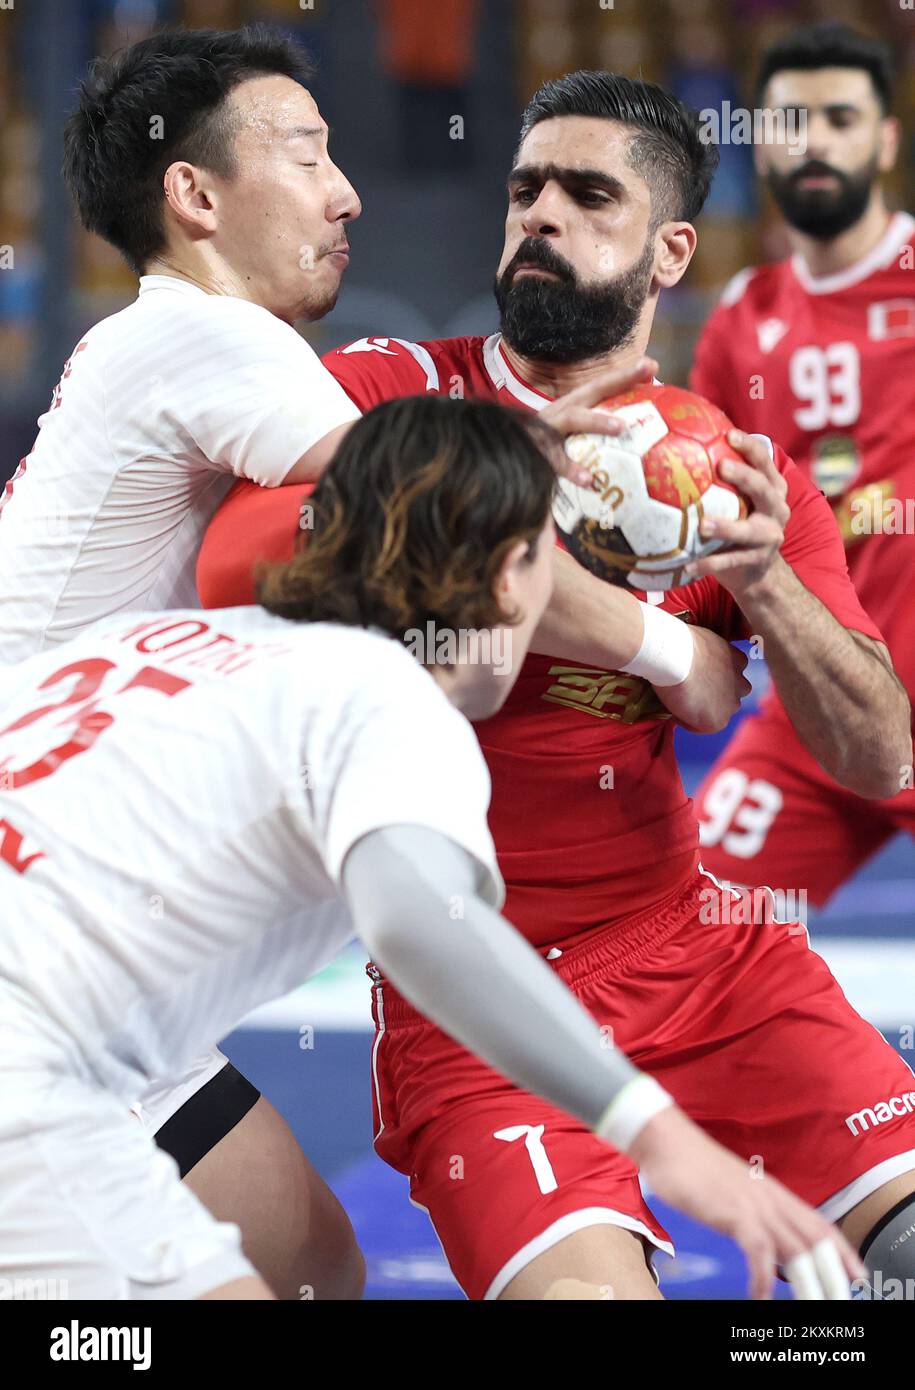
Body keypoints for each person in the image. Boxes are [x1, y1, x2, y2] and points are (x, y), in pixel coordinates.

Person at [189, 72, 915, 1301]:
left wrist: (766, 584)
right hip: (476, 988)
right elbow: (230, 566)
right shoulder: (391, 390)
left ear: (671, 248)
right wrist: (630, 622)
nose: (542, 217)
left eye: (589, 195)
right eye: (526, 190)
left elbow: (884, 755)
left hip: (705, 951)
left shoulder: (735, 478)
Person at [0, 394, 859, 1301]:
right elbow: (419, 923)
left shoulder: (149, 642)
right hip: (32, 1073)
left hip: (77, 1051)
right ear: (511, 576)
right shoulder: (384, 699)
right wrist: (658, 1135)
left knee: (311, 1271)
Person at [0, 25, 363, 670]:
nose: (346, 198)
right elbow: (429, 481)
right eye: (309, 162)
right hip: (34, 758)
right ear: (196, 196)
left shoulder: (147, 335)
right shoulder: (209, 332)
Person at [689, 21, 915, 908]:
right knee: (691, 915)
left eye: (839, 117)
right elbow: (701, 506)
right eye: (788, 121)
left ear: (885, 139)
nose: (813, 140)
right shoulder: (740, 316)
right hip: (822, 708)